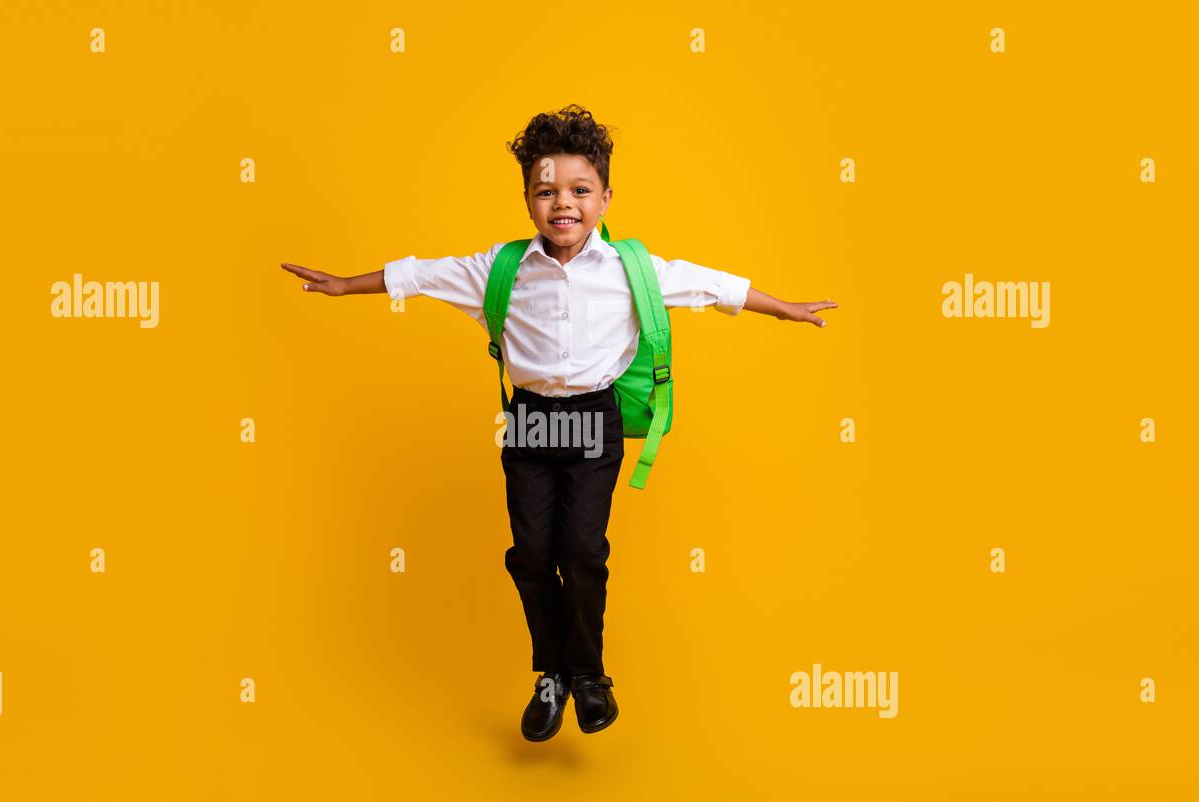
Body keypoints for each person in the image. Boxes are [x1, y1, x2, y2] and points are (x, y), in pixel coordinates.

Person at [280, 104, 837, 743]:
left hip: (594, 424)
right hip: (529, 425)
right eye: (546, 191)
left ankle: (591, 676)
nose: (562, 204)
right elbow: (422, 275)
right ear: (527, 199)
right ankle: (551, 675)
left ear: (605, 196)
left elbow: (710, 287)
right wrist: (344, 286)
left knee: (582, 551)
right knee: (532, 557)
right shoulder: (502, 268)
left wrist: (784, 309)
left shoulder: (632, 270)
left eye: (578, 190)